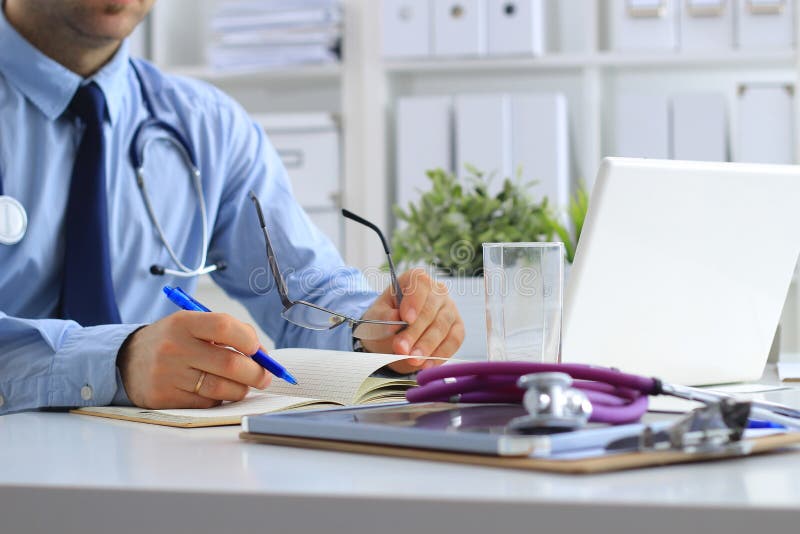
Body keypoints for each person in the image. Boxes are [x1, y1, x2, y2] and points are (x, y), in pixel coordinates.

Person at [0, 0, 464, 415]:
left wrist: (373, 328)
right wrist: (116, 361)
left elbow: (302, 287)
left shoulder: (208, 127)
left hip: (147, 473)